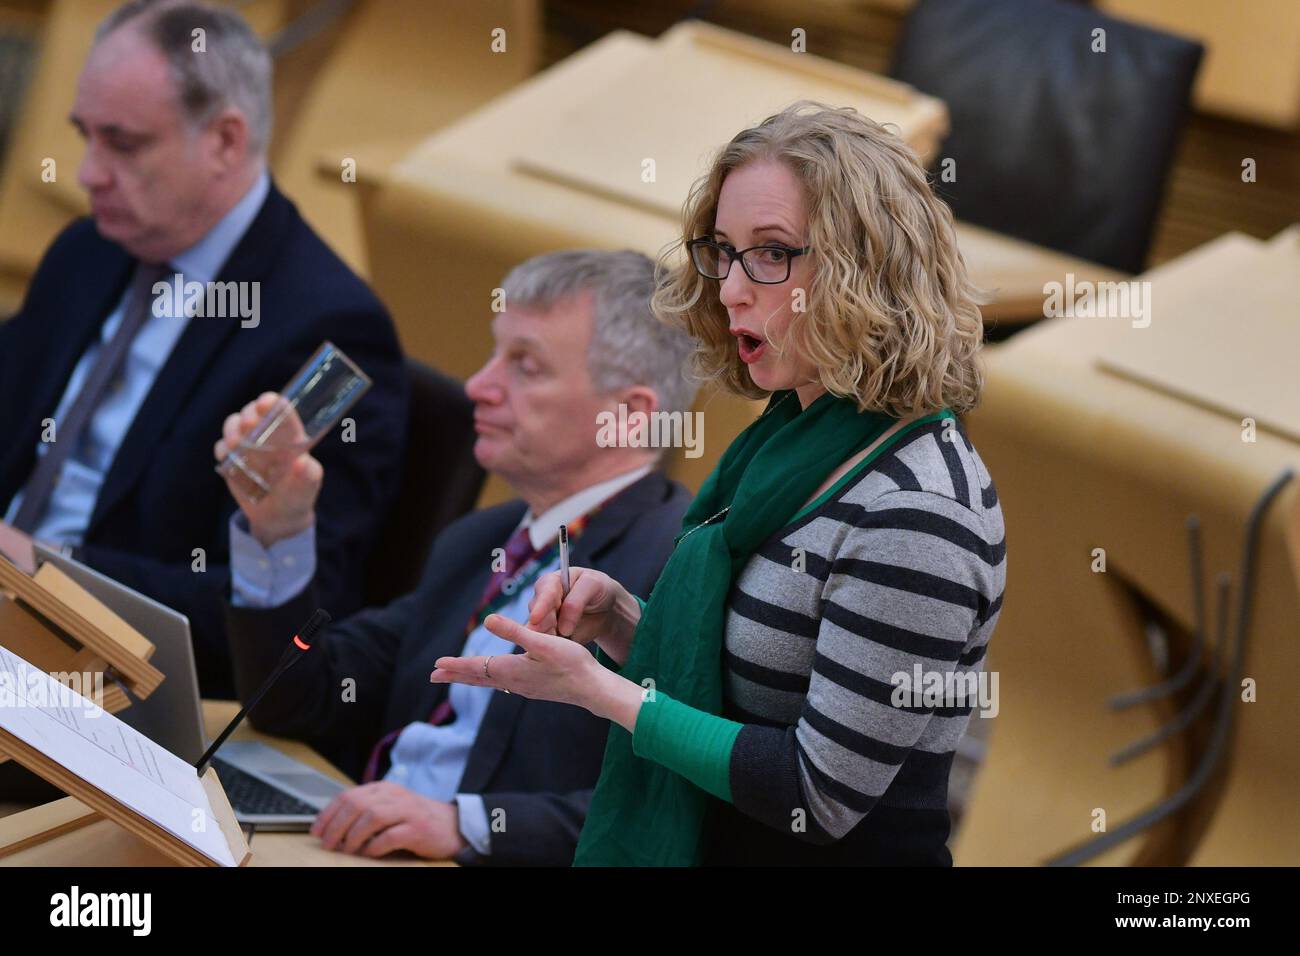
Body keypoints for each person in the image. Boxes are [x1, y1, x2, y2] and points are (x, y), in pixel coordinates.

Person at [432, 102, 1008, 865]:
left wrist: (604, 693)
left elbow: (819, 792)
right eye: (725, 251)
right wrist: (621, 623)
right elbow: (746, 697)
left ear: (865, 269)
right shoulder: (789, 441)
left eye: (771, 254)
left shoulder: (916, 513)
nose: (733, 288)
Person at [218, 250, 697, 865]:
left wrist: (466, 824)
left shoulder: (676, 564)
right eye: (495, 354)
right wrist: (277, 531)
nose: (477, 385)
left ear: (629, 417)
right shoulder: (482, 540)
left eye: (524, 366)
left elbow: (676, 814)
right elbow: (300, 697)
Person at [0, 0, 407, 699]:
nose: (88, 172)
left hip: (113, 686)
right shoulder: (89, 249)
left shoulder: (328, 329)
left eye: (122, 144)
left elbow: (276, 613)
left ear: (224, 140)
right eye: (84, 136)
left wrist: (46, 568)